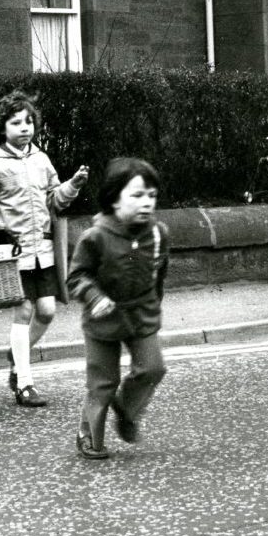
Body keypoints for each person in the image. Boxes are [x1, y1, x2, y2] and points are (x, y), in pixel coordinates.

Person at [0, 90, 89, 408]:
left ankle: (16, 355)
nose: (24, 127)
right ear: (2, 127)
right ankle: (24, 382)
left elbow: (55, 200)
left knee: (47, 311)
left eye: (28, 122)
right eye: (15, 122)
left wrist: (73, 185)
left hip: (42, 251)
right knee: (23, 312)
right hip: (13, 252)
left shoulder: (41, 159)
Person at [67, 157, 170, 460]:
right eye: (137, 195)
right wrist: (94, 297)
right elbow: (76, 277)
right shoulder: (95, 237)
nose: (146, 202)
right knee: (103, 383)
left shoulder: (159, 233)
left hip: (142, 315)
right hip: (103, 318)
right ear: (114, 199)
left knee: (153, 368)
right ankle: (89, 435)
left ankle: (126, 410)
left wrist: (155, 305)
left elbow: (159, 272)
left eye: (151, 195)